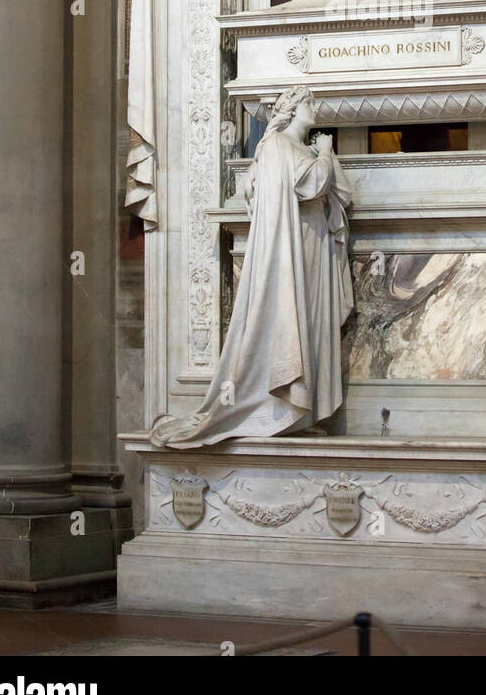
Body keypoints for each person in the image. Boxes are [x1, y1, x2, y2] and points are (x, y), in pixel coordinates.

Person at [150, 86, 353, 446]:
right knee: (292, 316)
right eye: (309, 104)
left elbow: (340, 193)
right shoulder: (276, 146)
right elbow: (312, 185)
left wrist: (322, 154)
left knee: (309, 320)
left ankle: (298, 413)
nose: (315, 110)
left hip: (313, 244)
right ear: (292, 110)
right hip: (291, 248)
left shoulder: (298, 148)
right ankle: (280, 405)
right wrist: (325, 154)